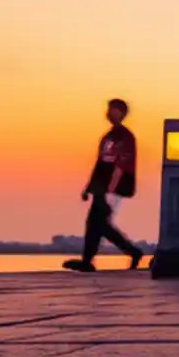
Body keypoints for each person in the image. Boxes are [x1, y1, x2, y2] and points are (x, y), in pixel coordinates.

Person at [63, 99, 143, 272]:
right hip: (101, 186)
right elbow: (100, 163)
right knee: (97, 224)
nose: (109, 113)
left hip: (113, 187)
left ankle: (129, 253)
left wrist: (111, 189)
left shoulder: (125, 137)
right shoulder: (108, 136)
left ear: (122, 113)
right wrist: (89, 187)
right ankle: (90, 260)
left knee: (99, 223)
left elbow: (121, 165)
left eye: (113, 110)